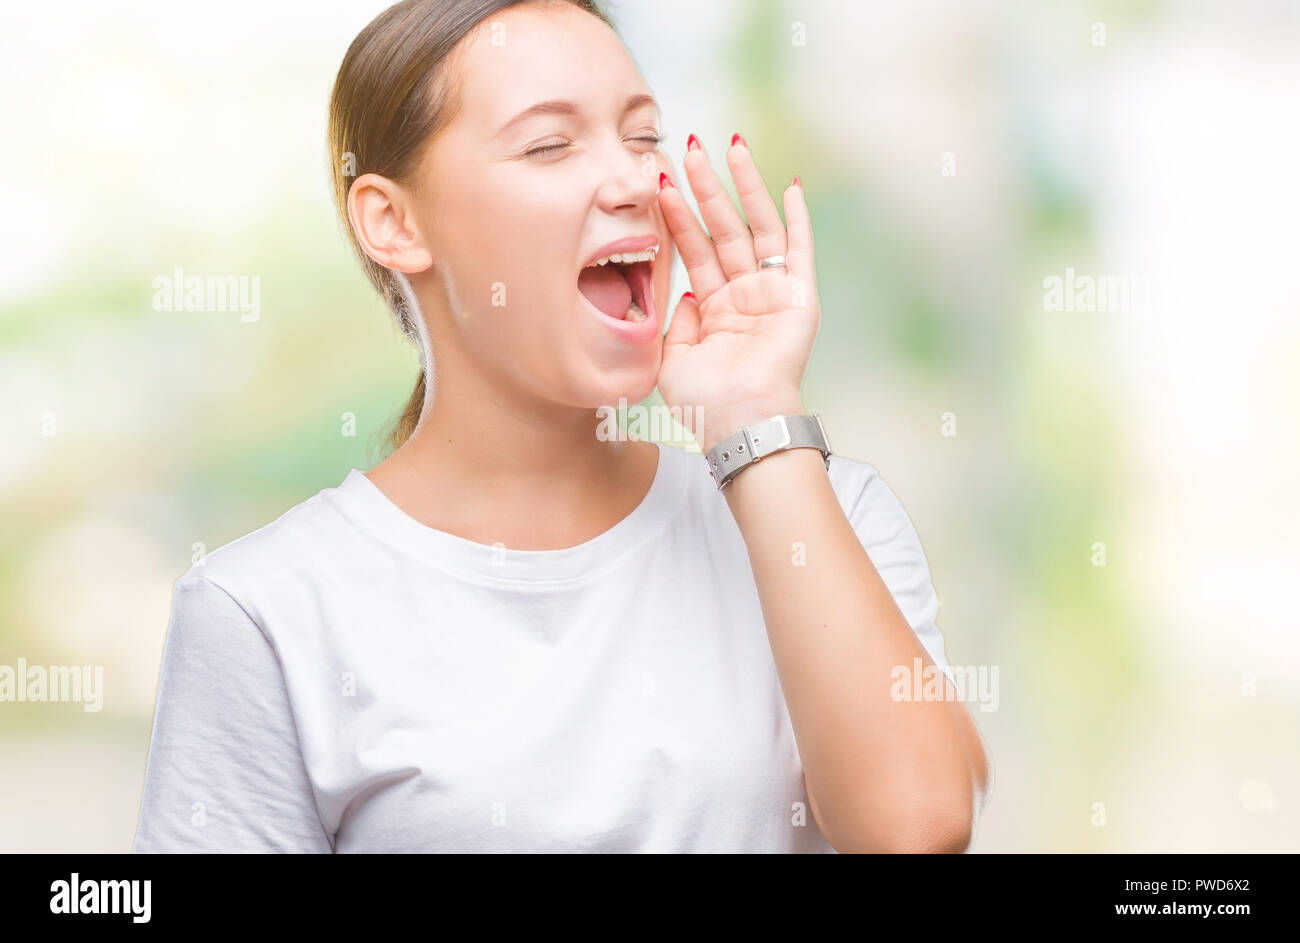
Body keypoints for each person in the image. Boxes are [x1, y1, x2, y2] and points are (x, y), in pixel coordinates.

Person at [132, 0, 990, 854]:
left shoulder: (818, 508)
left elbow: (916, 829)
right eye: (549, 145)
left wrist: (755, 416)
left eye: (644, 137)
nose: (628, 183)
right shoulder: (264, 611)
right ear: (394, 222)